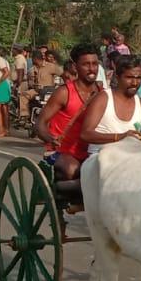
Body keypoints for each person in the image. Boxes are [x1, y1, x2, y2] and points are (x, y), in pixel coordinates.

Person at [37, 43, 102, 181]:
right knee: (73, 170)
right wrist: (50, 139)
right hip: (61, 152)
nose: (92, 69)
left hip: (92, 153)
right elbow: (40, 123)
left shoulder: (103, 94)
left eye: (95, 64)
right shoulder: (64, 92)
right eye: (86, 64)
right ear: (75, 66)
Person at [79, 54, 141, 155]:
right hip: (101, 159)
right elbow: (85, 134)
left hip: (130, 159)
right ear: (117, 77)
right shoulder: (103, 99)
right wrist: (120, 137)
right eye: (129, 77)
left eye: (138, 78)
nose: (135, 83)